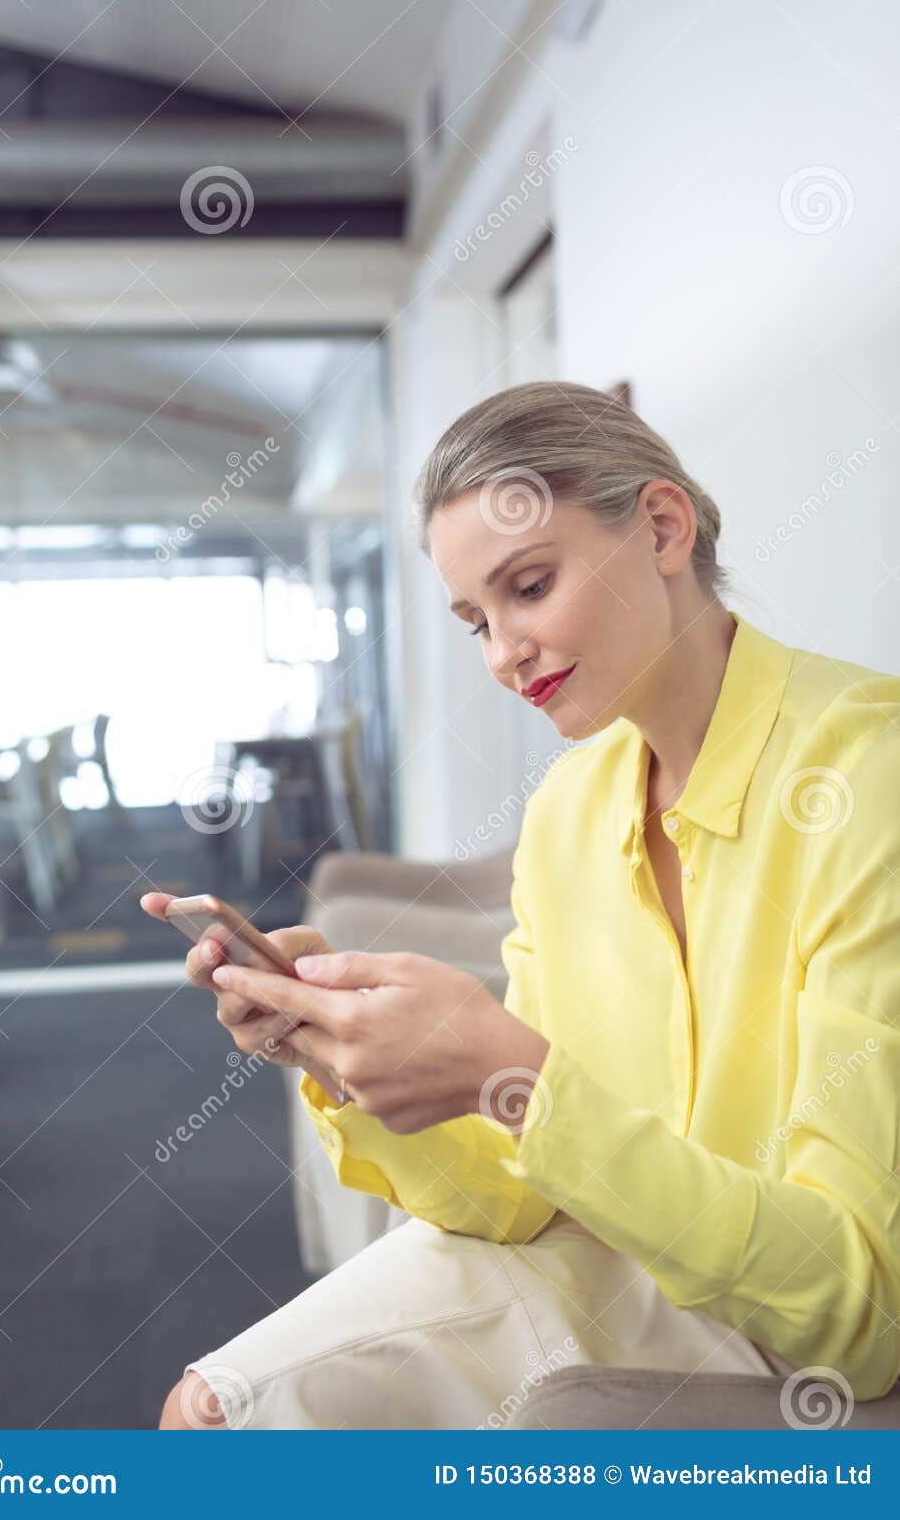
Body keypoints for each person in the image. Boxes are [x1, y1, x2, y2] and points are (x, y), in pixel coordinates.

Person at [143, 380, 900, 1430]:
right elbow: (515, 1193)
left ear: (661, 527)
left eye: (530, 587)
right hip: (627, 1253)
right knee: (208, 1415)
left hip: (785, 1320)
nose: (502, 652)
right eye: (474, 622)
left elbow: (853, 1312)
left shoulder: (868, 780)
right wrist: (343, 1055)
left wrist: (511, 1073)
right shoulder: (568, 811)